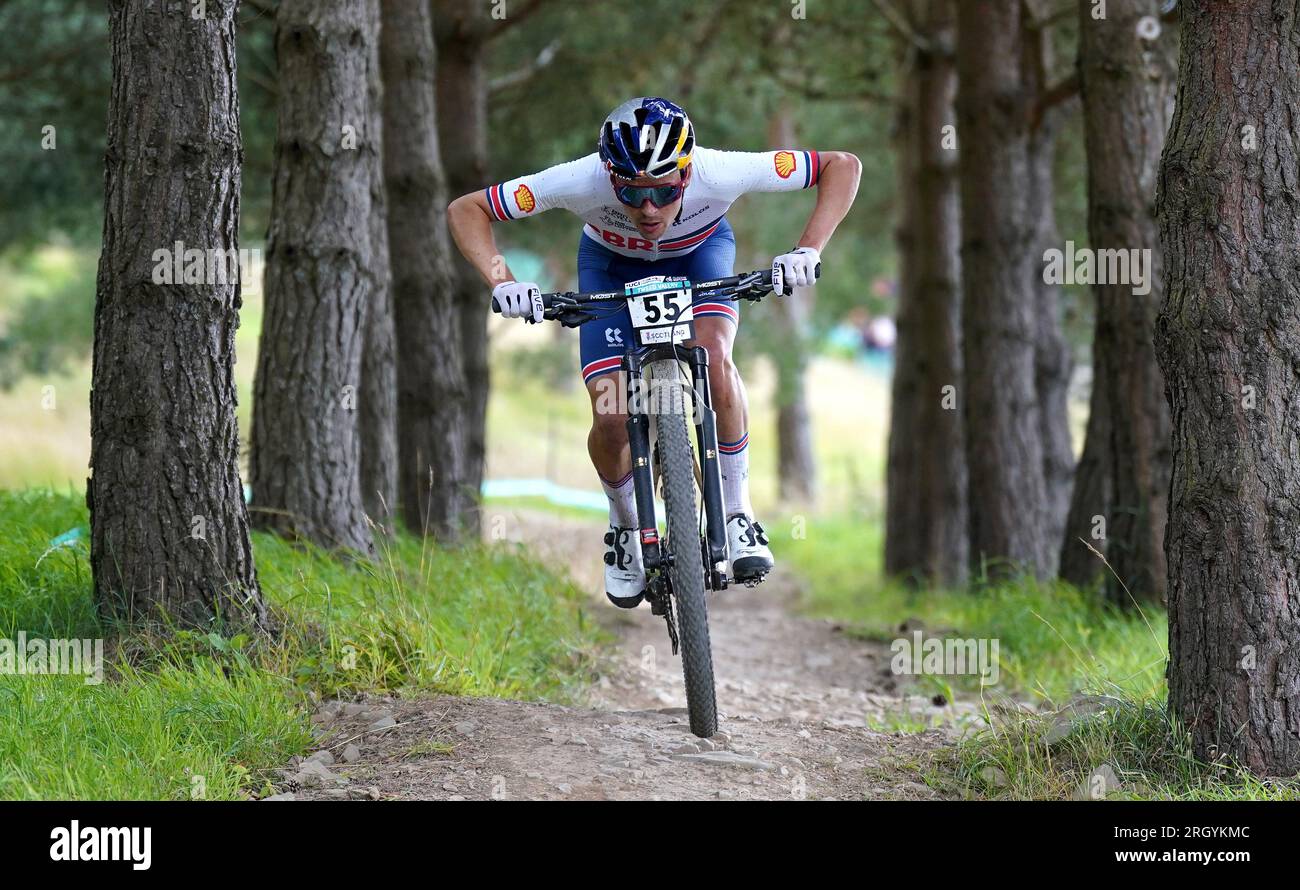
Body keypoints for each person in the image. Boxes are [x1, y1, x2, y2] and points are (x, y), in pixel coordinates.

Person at [447, 97, 860, 608]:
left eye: (664, 192)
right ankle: (624, 528)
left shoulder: (721, 170)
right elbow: (468, 209)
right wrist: (503, 280)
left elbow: (840, 166)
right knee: (612, 416)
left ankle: (735, 515)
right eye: (631, 194)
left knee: (713, 357)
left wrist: (808, 250)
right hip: (610, 268)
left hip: (699, 258)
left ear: (687, 176)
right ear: (608, 176)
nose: (648, 209)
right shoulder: (579, 179)